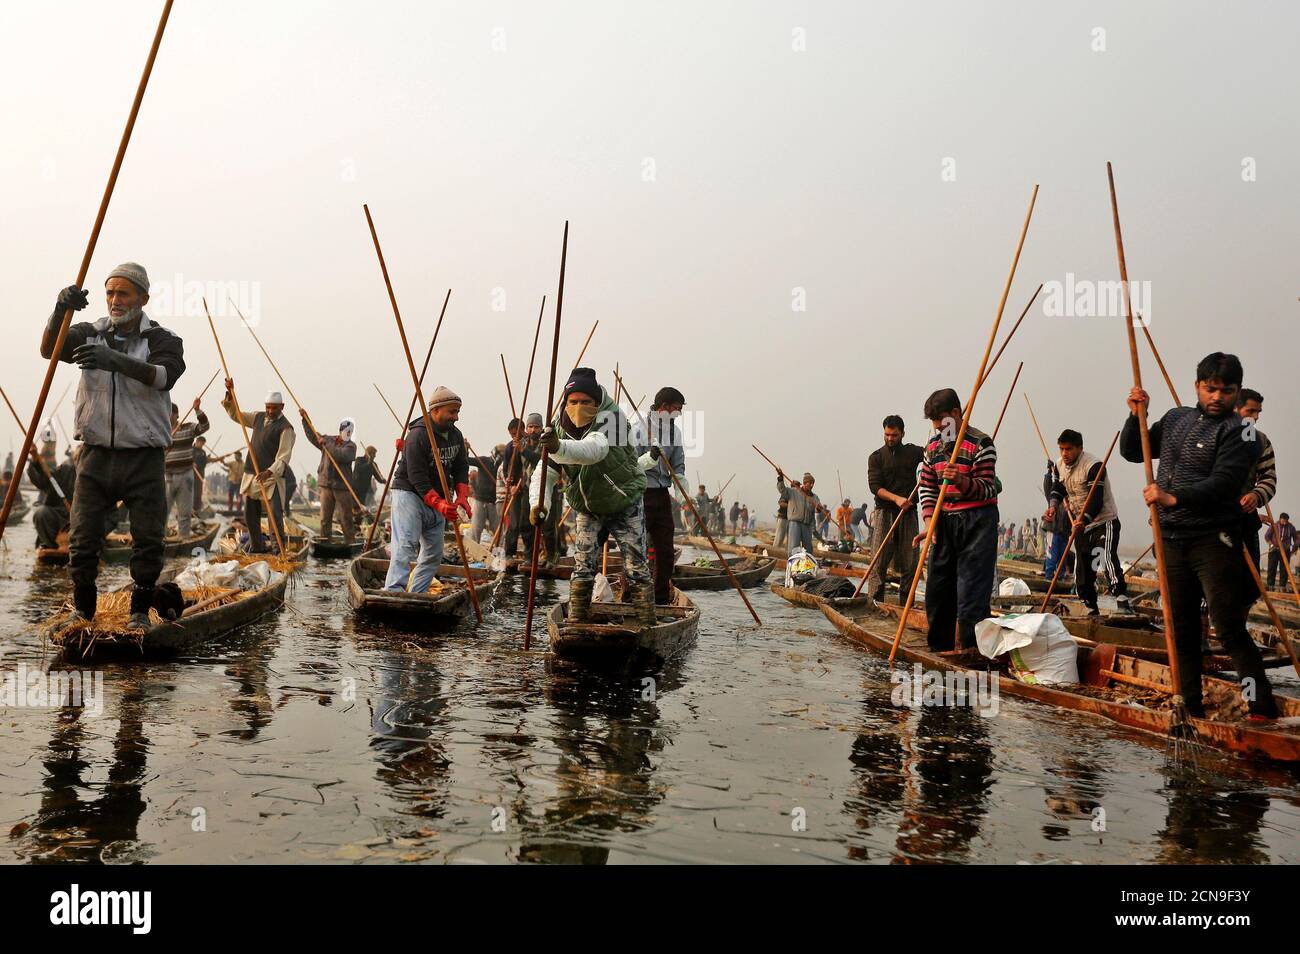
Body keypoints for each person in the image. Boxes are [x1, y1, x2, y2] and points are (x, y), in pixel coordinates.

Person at [1120, 352, 1277, 719]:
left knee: (1227, 626)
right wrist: (1135, 415)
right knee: (1181, 625)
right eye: (1211, 389)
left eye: (1226, 390)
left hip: (1214, 539)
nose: (1218, 397)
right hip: (1171, 538)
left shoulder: (1242, 432)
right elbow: (1133, 450)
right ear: (1197, 387)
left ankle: (1261, 705)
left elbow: (1224, 485)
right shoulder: (1176, 419)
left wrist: (1173, 497)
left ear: (1236, 392)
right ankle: (1188, 705)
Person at [41, 264, 186, 627]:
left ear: (143, 299)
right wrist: (61, 310)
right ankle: (84, 609)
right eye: (110, 293)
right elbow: (49, 349)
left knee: (148, 538)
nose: (115, 301)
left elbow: (163, 376)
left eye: (123, 293)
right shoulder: (90, 333)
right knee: (83, 537)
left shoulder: (163, 340)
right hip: (95, 455)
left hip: (143, 456)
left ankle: (139, 611)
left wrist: (114, 361)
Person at [530, 368, 652, 623]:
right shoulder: (559, 427)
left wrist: (558, 447)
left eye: (586, 402)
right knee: (583, 566)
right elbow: (547, 471)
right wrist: (539, 504)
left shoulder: (614, 420)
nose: (578, 407)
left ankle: (646, 622)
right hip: (588, 506)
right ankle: (577, 620)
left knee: (636, 568)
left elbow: (595, 449)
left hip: (623, 502)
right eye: (573, 401)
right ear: (565, 402)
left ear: (597, 403)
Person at [915, 388, 999, 651]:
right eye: (934, 422)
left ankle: (973, 653)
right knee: (938, 593)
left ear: (956, 413)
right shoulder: (932, 448)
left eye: (942, 419)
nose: (939, 426)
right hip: (945, 522)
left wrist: (962, 480)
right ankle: (939, 652)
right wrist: (929, 522)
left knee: (971, 595)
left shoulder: (981, 443)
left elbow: (988, 488)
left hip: (977, 521)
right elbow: (927, 488)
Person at [385, 387, 470, 592]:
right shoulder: (418, 435)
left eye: (458, 412)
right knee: (406, 545)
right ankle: (394, 591)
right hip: (410, 494)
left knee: (433, 553)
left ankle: (417, 593)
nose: (456, 417)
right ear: (436, 410)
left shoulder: (455, 436)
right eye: (452, 412)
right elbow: (417, 477)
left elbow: (461, 467)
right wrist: (438, 503)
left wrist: (462, 496)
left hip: (438, 497)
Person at [1046, 429, 1129, 615]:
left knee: (1104, 558)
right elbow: (1058, 489)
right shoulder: (1059, 466)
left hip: (1103, 521)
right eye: (1061, 449)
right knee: (1083, 568)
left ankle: (1122, 601)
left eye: (1068, 449)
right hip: (1081, 525)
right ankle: (1091, 608)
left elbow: (1096, 501)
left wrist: (1083, 519)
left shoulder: (1094, 466)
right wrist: (1052, 506)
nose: (1064, 454)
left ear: (1080, 448)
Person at [222, 386, 295, 553]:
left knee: (274, 515)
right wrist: (230, 394)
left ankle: (278, 551)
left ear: (282, 407)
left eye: (274, 408)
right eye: (268, 407)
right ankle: (257, 546)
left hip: (272, 477)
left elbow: (283, 457)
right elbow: (236, 415)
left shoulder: (286, 428)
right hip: (252, 474)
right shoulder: (258, 417)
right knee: (250, 514)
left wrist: (269, 472)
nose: (270, 411)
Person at [635, 386, 687, 605]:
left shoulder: (674, 432)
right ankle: (632, 595)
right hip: (640, 493)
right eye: (676, 409)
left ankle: (660, 598)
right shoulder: (639, 429)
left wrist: (683, 495)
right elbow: (629, 468)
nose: (679, 414)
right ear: (663, 407)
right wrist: (649, 457)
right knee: (636, 549)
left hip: (662, 496)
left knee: (665, 551)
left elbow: (678, 466)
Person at [866, 414, 925, 602]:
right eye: (887, 435)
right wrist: (897, 499)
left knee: (910, 562)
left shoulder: (913, 452)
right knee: (878, 562)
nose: (890, 439)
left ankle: (905, 604)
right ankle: (874, 603)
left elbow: (934, 455)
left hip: (909, 514)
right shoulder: (876, 457)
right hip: (885, 512)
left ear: (902, 434)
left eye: (895, 435)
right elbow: (875, 487)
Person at [1235, 388, 1275, 577]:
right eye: (1251, 411)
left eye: (1258, 412)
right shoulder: (1212, 433)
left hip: (1244, 519)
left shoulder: (1260, 440)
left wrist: (1256, 495)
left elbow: (1269, 478)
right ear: (1235, 408)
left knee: (1249, 586)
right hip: (1211, 519)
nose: (1256, 416)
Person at [302, 413, 358, 544]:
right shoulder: (329, 439)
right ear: (340, 430)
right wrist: (305, 420)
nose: (346, 433)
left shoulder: (351, 447)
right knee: (324, 519)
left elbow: (340, 455)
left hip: (342, 487)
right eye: (344, 430)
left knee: (345, 518)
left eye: (348, 432)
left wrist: (326, 445)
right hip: (326, 485)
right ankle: (325, 542)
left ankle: (350, 543)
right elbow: (312, 436)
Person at [165, 399, 209, 538]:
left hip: (185, 476)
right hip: (167, 477)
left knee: (184, 513)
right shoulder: (161, 431)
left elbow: (205, 426)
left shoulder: (188, 428)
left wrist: (197, 410)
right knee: (161, 512)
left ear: (177, 415)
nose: (167, 415)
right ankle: (160, 539)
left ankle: (183, 539)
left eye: (170, 413)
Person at [27, 445, 77, 549]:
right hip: (59, 516)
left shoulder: (96, 477)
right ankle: (51, 545)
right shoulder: (64, 471)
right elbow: (44, 478)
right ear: (75, 460)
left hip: (83, 520)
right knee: (41, 513)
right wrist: (35, 459)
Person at [783, 472, 823, 554]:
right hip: (795, 523)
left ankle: (807, 564)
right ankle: (793, 563)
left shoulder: (814, 497)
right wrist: (780, 479)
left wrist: (819, 509)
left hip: (807, 525)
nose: (812, 485)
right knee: (794, 547)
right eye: (810, 483)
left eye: (813, 483)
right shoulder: (794, 492)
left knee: (808, 548)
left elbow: (818, 508)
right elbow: (782, 489)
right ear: (804, 483)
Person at [468, 445, 499, 544]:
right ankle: (474, 550)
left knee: (498, 529)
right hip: (480, 500)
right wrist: (465, 449)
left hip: (494, 501)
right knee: (476, 528)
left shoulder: (504, 465)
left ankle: (500, 549)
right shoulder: (484, 461)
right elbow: (467, 460)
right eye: (500, 454)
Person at [349, 444, 385, 516]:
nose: (374, 456)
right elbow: (360, 469)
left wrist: (383, 481)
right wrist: (369, 462)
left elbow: (378, 476)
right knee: (353, 506)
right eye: (373, 454)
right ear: (368, 453)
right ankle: (351, 520)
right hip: (355, 488)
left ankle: (358, 522)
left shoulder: (373, 465)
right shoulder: (359, 460)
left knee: (360, 508)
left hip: (364, 490)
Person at [1265, 513, 1295, 590]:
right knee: (1272, 567)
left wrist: (1293, 548)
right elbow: (1267, 536)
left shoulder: (1291, 527)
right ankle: (1270, 585)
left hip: (1285, 551)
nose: (1285, 522)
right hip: (1274, 550)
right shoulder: (1274, 525)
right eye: (1283, 520)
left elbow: (1296, 538)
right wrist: (1271, 545)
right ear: (1280, 519)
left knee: (1284, 569)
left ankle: (1282, 586)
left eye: (1286, 521)